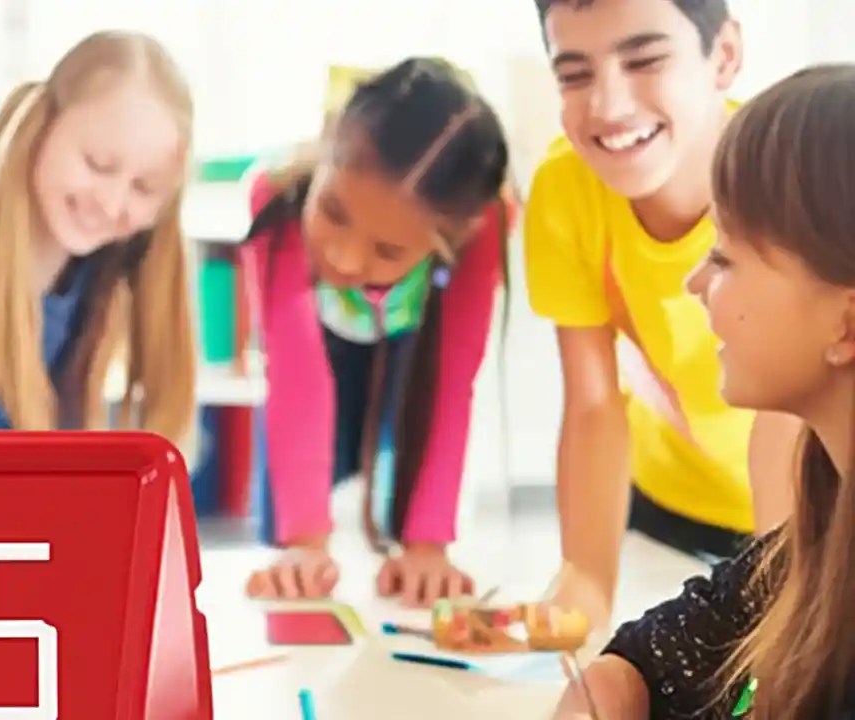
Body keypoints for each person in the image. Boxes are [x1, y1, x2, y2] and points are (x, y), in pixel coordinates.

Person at [555, 62, 855, 720]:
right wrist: (603, 692)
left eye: (724, 256)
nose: (695, 283)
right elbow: (648, 658)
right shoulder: (820, 519)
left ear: (846, 322)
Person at [524, 0, 800, 631]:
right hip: (670, 499)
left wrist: (783, 592)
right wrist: (585, 580)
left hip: (803, 501)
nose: (608, 106)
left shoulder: (785, 180)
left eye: (644, 59)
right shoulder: (565, 191)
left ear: (724, 56)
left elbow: (785, 417)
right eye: (574, 73)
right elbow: (594, 404)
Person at [240, 57, 515, 607]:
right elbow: (295, 374)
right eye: (333, 211)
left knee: (402, 497)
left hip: (414, 347)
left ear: (453, 241)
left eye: (389, 250)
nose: (343, 256)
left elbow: (451, 380)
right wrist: (305, 543)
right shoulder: (273, 198)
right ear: (324, 151)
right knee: (292, 514)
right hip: (318, 350)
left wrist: (428, 545)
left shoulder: (487, 228)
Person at [0, 30, 196, 443]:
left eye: (144, 188)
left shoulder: (102, 266)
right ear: (43, 125)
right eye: (97, 164)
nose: (112, 204)